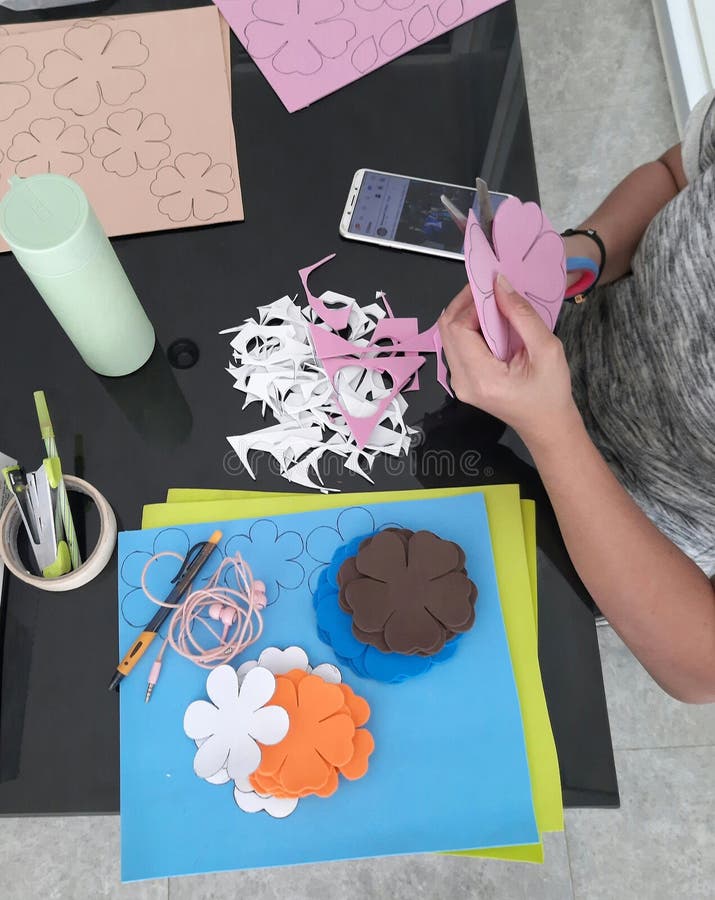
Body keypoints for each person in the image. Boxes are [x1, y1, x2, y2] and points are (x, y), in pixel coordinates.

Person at [439, 91, 715, 704]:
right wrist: (580, 257)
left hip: (624, 533)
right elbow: (675, 174)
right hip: (532, 363)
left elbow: (700, 668)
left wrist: (552, 428)